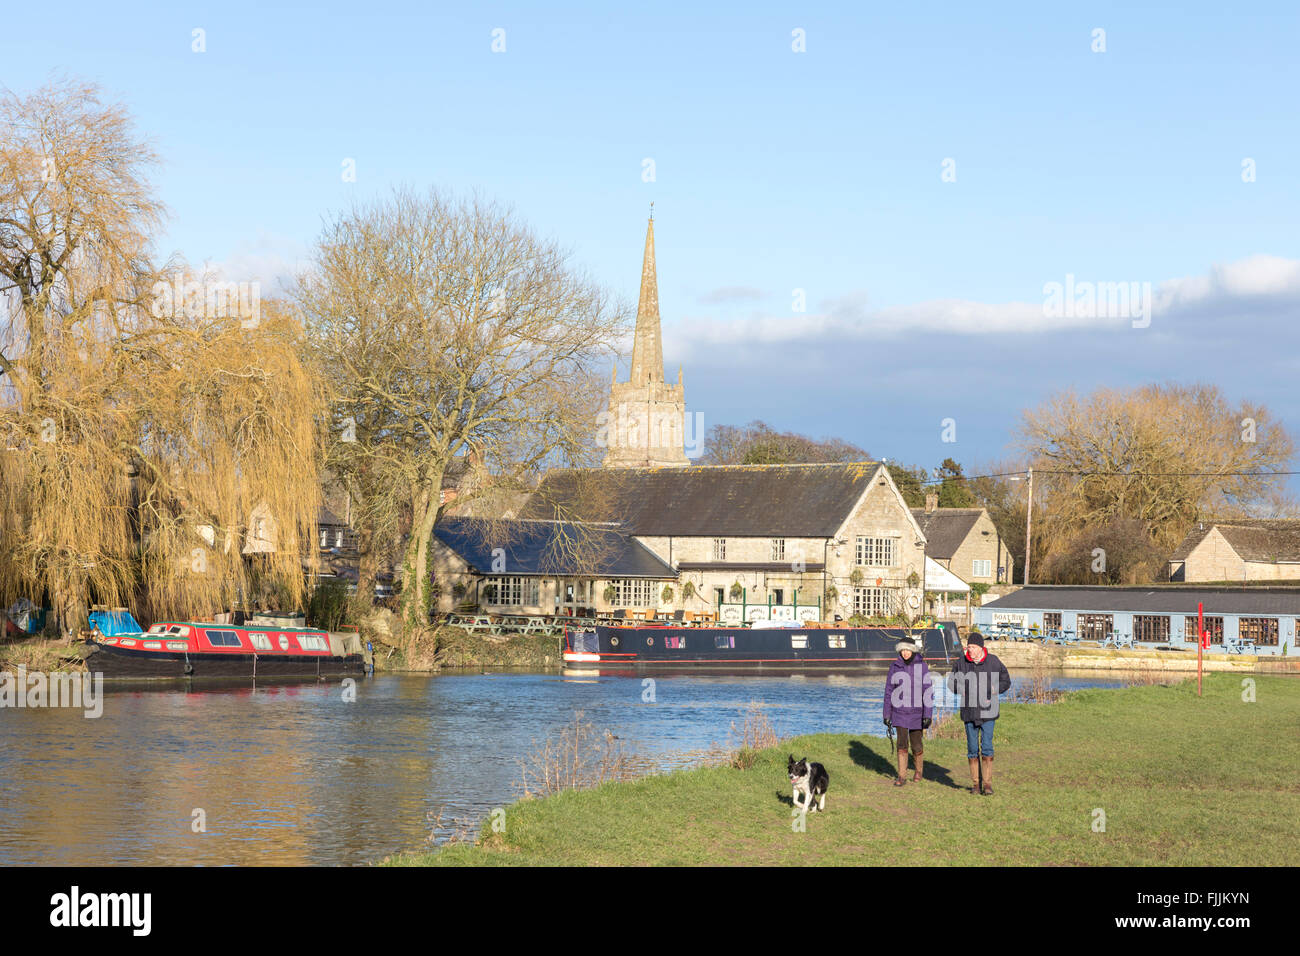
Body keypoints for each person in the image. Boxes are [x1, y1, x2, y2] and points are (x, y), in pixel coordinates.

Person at [946, 632, 1011, 795]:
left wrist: (995, 689)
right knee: (972, 748)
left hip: (989, 712)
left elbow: (1006, 680)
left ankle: (987, 785)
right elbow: (951, 682)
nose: (970, 650)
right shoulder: (961, 663)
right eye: (969, 647)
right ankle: (975, 785)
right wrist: (961, 690)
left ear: (981, 648)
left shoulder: (993, 662)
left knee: (987, 747)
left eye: (973, 647)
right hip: (969, 712)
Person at [882, 638, 932, 786]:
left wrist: (927, 714)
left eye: (907, 650)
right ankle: (902, 776)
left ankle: (918, 771)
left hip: (917, 712)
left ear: (913, 650)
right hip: (899, 712)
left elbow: (927, 691)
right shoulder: (895, 666)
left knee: (916, 745)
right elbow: (888, 691)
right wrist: (886, 714)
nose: (905, 653)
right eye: (902, 650)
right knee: (902, 744)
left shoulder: (922, 666)